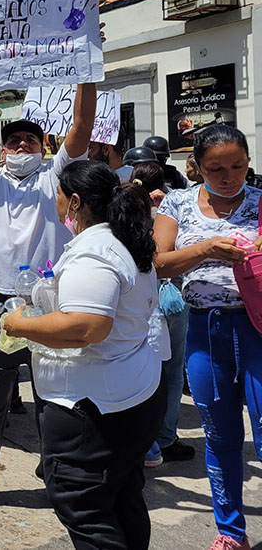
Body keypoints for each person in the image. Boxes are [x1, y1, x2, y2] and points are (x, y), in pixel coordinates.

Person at [0, 76, 96, 516]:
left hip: (51, 307)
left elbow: (82, 126)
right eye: (13, 142)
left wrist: (87, 70)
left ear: (44, 146)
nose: (22, 146)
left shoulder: (56, 177)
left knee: (55, 403)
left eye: (30, 140)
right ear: (2, 150)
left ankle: (60, 478)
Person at [2, 160, 165, 550]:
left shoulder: (94, 251)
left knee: (85, 505)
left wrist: (18, 324)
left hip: (93, 408)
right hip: (129, 393)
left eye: (58, 196)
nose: (55, 204)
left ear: (74, 202)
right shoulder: (122, 238)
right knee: (122, 495)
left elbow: (87, 327)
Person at [154, 125, 262, 550]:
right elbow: (159, 262)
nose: (228, 176)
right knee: (220, 437)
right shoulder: (178, 202)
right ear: (197, 166)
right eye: (216, 168)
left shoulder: (260, 201)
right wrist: (205, 249)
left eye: (238, 165)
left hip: (257, 328)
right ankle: (231, 532)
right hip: (205, 330)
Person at [127, 164, 195, 469]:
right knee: (172, 372)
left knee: (144, 372)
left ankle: (148, 442)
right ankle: (163, 440)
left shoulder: (125, 209)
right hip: (173, 300)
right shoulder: (177, 206)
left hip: (141, 303)